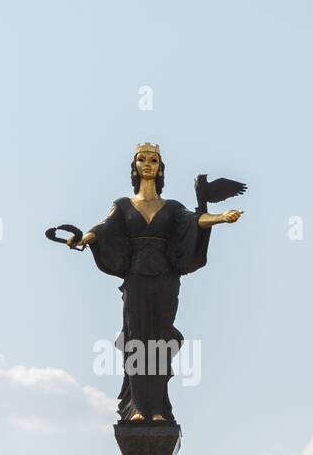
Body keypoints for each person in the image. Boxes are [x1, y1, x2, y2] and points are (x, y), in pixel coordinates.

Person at [68, 143, 242, 423]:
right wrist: (81, 239)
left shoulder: (172, 207)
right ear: (135, 167)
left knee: (160, 340)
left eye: (153, 160)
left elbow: (195, 220)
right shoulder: (123, 205)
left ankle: (158, 408)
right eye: (141, 159)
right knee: (137, 340)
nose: (147, 164)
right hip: (135, 280)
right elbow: (102, 229)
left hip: (165, 280)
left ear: (160, 168)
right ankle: (137, 407)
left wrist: (221, 217)